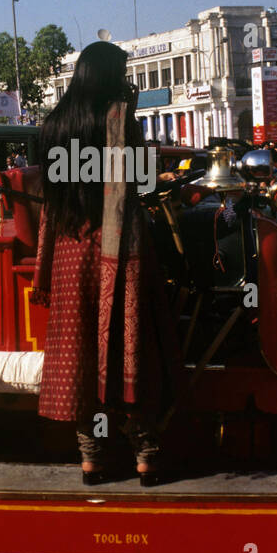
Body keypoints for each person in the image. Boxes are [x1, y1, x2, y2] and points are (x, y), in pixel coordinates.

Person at [31, 41, 180, 486]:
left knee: (82, 350)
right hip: (121, 250)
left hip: (71, 249)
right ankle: (145, 455)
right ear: (109, 75)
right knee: (132, 347)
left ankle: (92, 458)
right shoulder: (120, 119)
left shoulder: (54, 125)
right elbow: (143, 181)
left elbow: (56, 191)